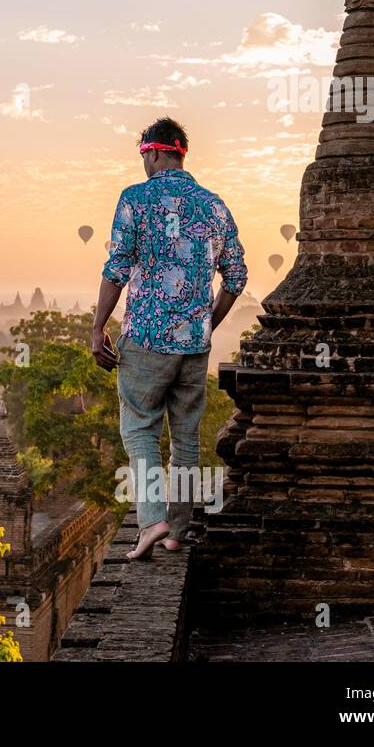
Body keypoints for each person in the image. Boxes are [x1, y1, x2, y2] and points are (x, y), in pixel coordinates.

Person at [90, 117, 247, 560]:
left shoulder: (135, 200)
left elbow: (116, 269)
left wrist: (98, 326)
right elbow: (235, 276)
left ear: (153, 153)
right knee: (186, 440)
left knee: (139, 429)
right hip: (194, 346)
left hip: (145, 338)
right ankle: (177, 530)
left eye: (142, 156)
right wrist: (207, 324)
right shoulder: (213, 205)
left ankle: (151, 519)